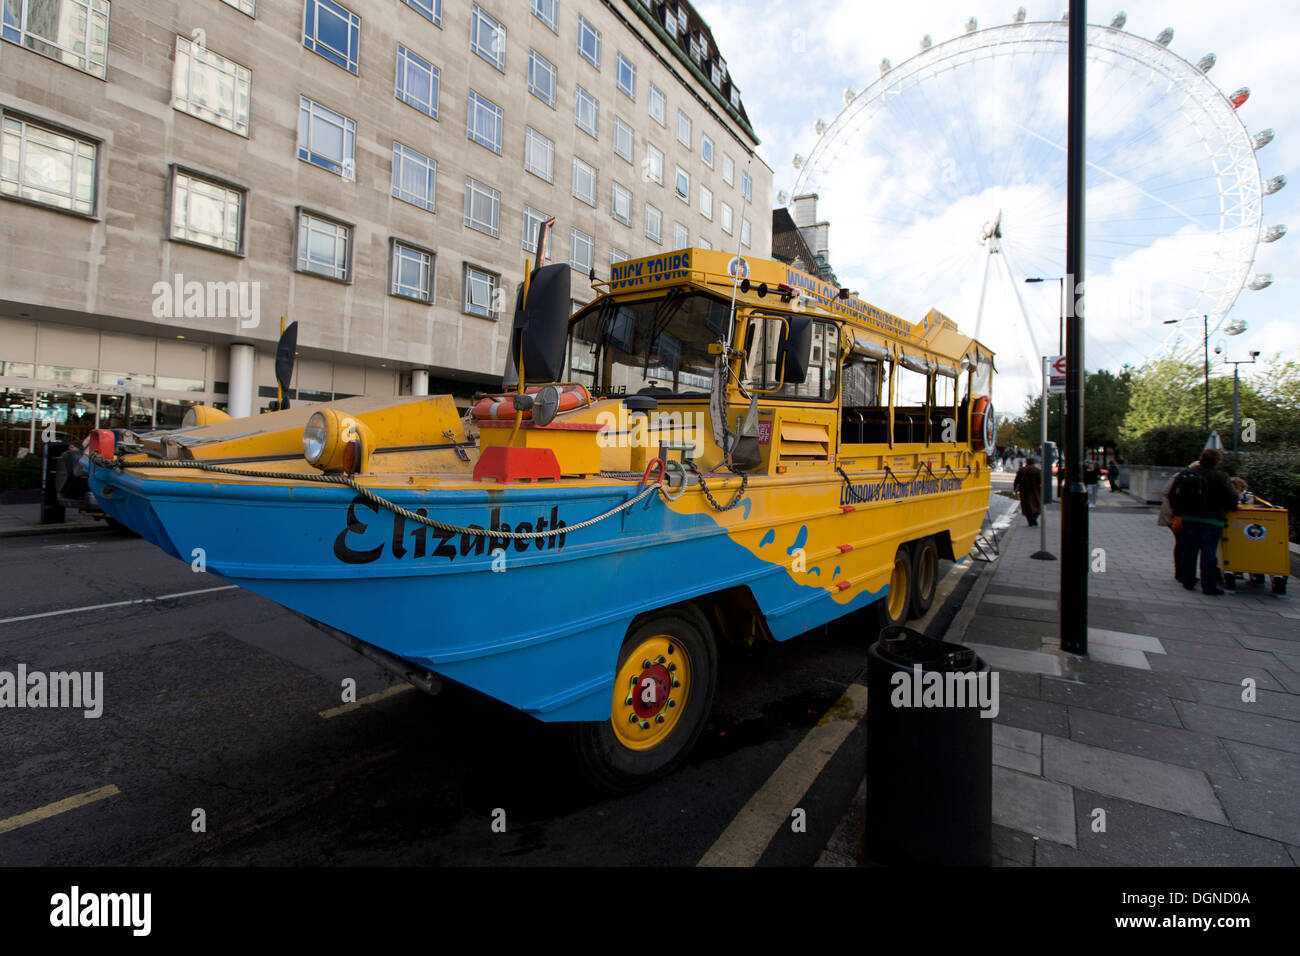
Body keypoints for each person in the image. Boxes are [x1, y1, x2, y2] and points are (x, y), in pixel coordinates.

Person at [1172, 448, 1239, 595]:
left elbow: (1173, 493)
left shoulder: (1187, 474)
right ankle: (1208, 586)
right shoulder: (1220, 476)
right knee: (1208, 552)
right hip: (1213, 519)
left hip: (1189, 517)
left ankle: (1187, 581)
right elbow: (1231, 496)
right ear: (1217, 462)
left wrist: (1178, 511)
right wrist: (1232, 508)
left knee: (1189, 550)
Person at [1157, 461, 1198, 582]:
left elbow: (1166, 492)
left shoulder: (1180, 477)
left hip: (1174, 514)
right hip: (1176, 515)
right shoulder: (1183, 477)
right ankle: (1182, 572)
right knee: (1183, 543)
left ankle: (1180, 572)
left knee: (1181, 543)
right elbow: (1168, 493)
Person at [1014, 456, 1042, 527]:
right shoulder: (1037, 471)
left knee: (1026, 505)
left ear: (1027, 462)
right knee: (1037, 504)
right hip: (1035, 490)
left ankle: (1030, 520)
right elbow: (1041, 481)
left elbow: (1017, 481)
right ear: (1034, 463)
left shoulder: (1022, 470)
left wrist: (1015, 489)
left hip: (1024, 490)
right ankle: (1034, 517)